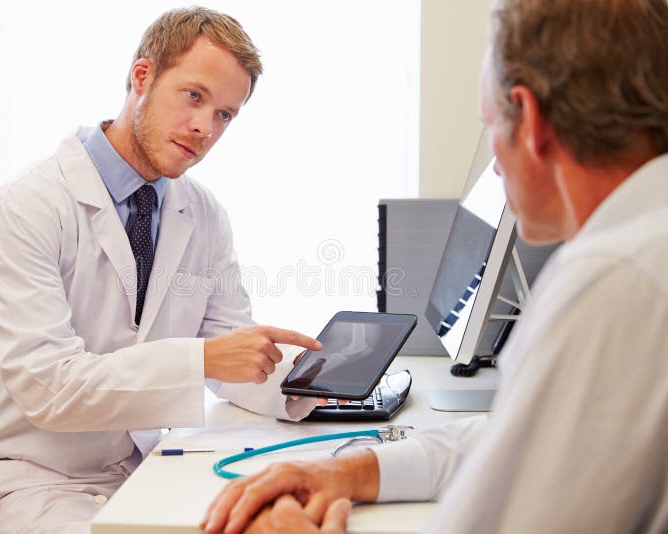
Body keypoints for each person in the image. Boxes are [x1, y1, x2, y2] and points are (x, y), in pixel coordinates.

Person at [201, 0, 668, 532]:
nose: (496, 167)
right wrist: (349, 471)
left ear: (530, 120)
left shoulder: (611, 280)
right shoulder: (643, 247)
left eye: (491, 125)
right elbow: (514, 437)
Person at [0, 7, 323, 533]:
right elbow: (50, 388)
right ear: (142, 76)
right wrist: (203, 359)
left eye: (224, 115)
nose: (204, 127)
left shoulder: (203, 212)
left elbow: (229, 345)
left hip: (148, 470)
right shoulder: (26, 205)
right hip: (32, 483)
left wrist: (307, 383)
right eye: (194, 96)